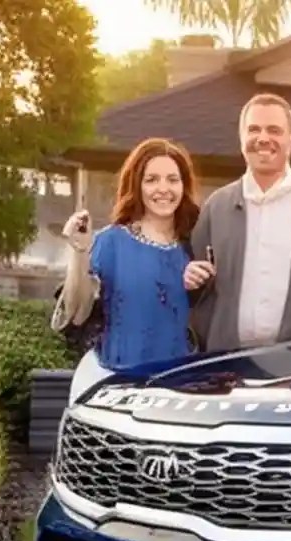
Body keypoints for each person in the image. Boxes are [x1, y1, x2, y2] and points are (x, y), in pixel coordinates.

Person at [183, 92, 291, 352]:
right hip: (225, 369)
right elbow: (195, 289)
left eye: (274, 130)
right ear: (241, 137)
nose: (263, 138)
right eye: (254, 129)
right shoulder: (216, 207)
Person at [51, 137, 205, 369]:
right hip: (121, 384)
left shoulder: (196, 244)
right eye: (152, 180)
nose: (163, 189)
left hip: (181, 388)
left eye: (173, 179)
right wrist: (79, 252)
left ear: (184, 186)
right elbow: (76, 313)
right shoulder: (111, 242)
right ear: (136, 185)